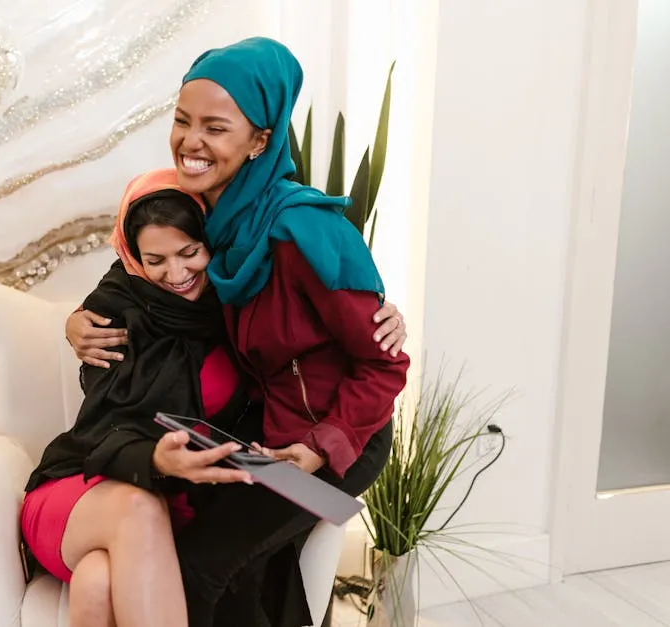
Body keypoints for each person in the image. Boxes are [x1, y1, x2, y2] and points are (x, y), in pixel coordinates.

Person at [66, 37, 411, 627]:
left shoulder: (302, 227)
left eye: (216, 128)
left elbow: (384, 363)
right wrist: (77, 321)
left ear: (261, 140)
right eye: (182, 121)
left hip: (337, 432)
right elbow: (140, 260)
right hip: (271, 425)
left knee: (202, 564)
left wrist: (323, 443)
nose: (191, 141)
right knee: (247, 563)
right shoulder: (214, 218)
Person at [22, 169, 257, 627]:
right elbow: (105, 426)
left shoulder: (241, 302)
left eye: (190, 252)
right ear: (132, 257)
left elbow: (313, 323)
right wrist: (156, 461)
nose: (176, 274)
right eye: (156, 260)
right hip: (83, 492)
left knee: (98, 581)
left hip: (174, 506)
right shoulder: (112, 313)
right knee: (138, 506)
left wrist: (371, 311)